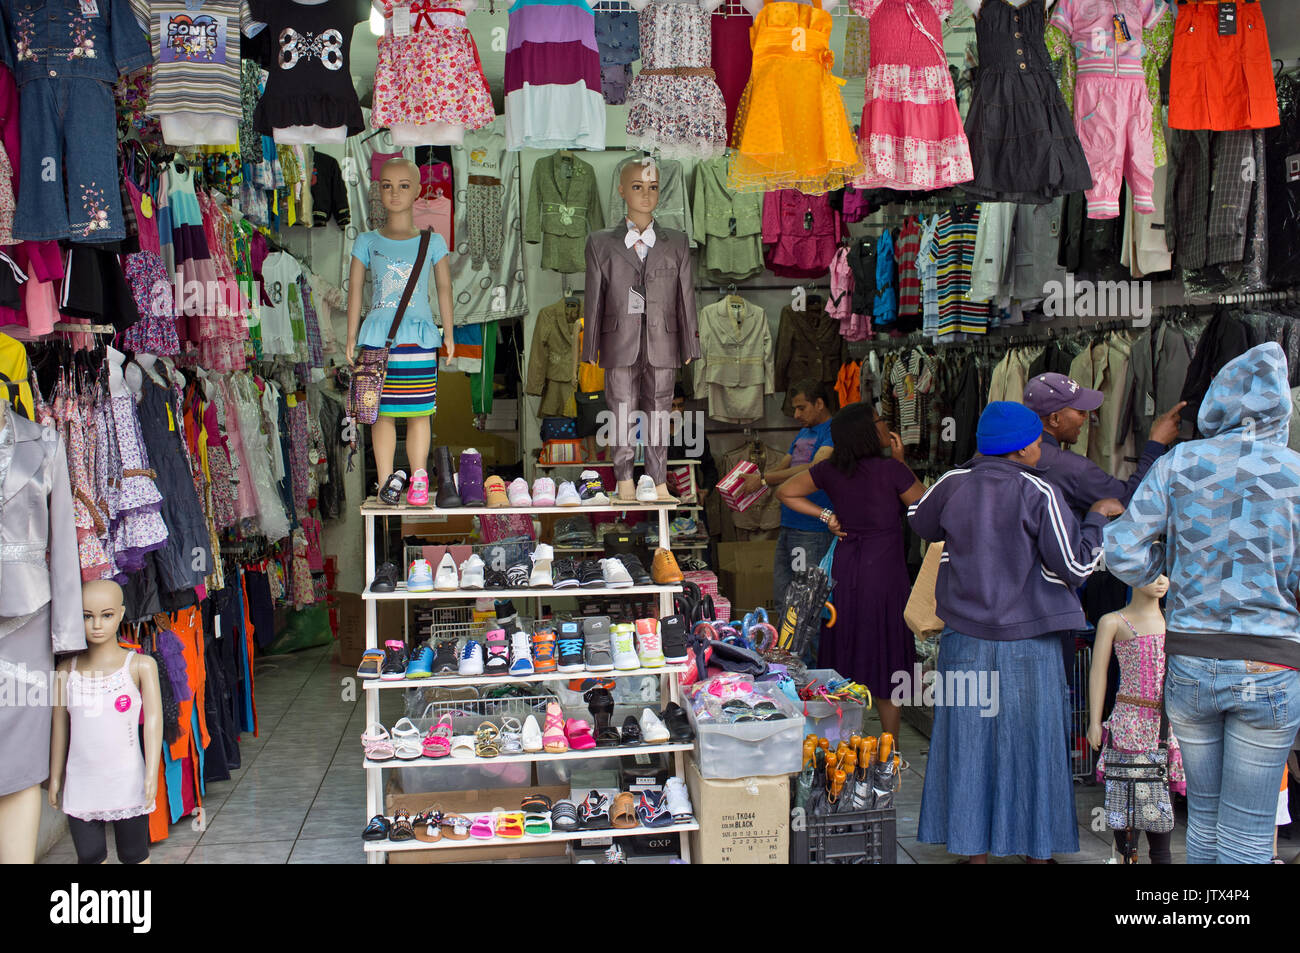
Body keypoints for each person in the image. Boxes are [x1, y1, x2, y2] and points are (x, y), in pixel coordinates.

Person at [1104, 343, 1300, 864]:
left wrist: (1167, 574)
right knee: (1251, 829)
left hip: (1191, 661)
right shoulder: (1296, 472)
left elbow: (1120, 548)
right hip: (1273, 662)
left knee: (1207, 820)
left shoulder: (1178, 464)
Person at [908, 401, 1120, 862]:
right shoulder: (1037, 490)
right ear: (1024, 448)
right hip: (1029, 643)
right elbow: (1077, 564)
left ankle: (973, 851)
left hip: (963, 639)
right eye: (1038, 442)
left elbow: (920, 521)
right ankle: (1036, 850)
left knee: (968, 741)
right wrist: (1098, 518)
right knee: (1035, 743)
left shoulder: (951, 483)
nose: (1041, 449)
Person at [775, 401, 924, 740]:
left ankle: (841, 741)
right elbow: (924, 506)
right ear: (867, 431)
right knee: (887, 655)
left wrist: (826, 516)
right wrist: (903, 467)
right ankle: (890, 747)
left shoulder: (830, 470)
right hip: (884, 571)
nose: (885, 425)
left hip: (846, 568)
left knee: (845, 645)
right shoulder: (892, 470)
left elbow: (786, 491)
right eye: (880, 420)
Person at [1022, 371, 1185, 680]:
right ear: (1054, 419)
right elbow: (1129, 501)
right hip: (1056, 599)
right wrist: (1155, 444)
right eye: (1079, 411)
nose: (1086, 418)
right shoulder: (1068, 467)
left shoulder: (1007, 457)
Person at [1086, 575, 1185, 864]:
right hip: (1126, 727)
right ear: (1131, 574)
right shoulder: (1113, 621)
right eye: (1152, 573)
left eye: (1165, 572)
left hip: (1164, 730)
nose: (1162, 580)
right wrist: (1094, 721)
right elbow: (1097, 672)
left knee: (1161, 824)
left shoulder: (1175, 620)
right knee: (1125, 827)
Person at [744, 379, 837, 613]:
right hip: (788, 524)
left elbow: (816, 467)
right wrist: (749, 481)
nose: (795, 414)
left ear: (819, 404)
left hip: (813, 528)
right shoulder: (804, 433)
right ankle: (787, 650)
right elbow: (783, 467)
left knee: (807, 602)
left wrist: (763, 479)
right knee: (783, 597)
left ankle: (806, 651)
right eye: (794, 408)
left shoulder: (833, 431)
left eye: (801, 407)